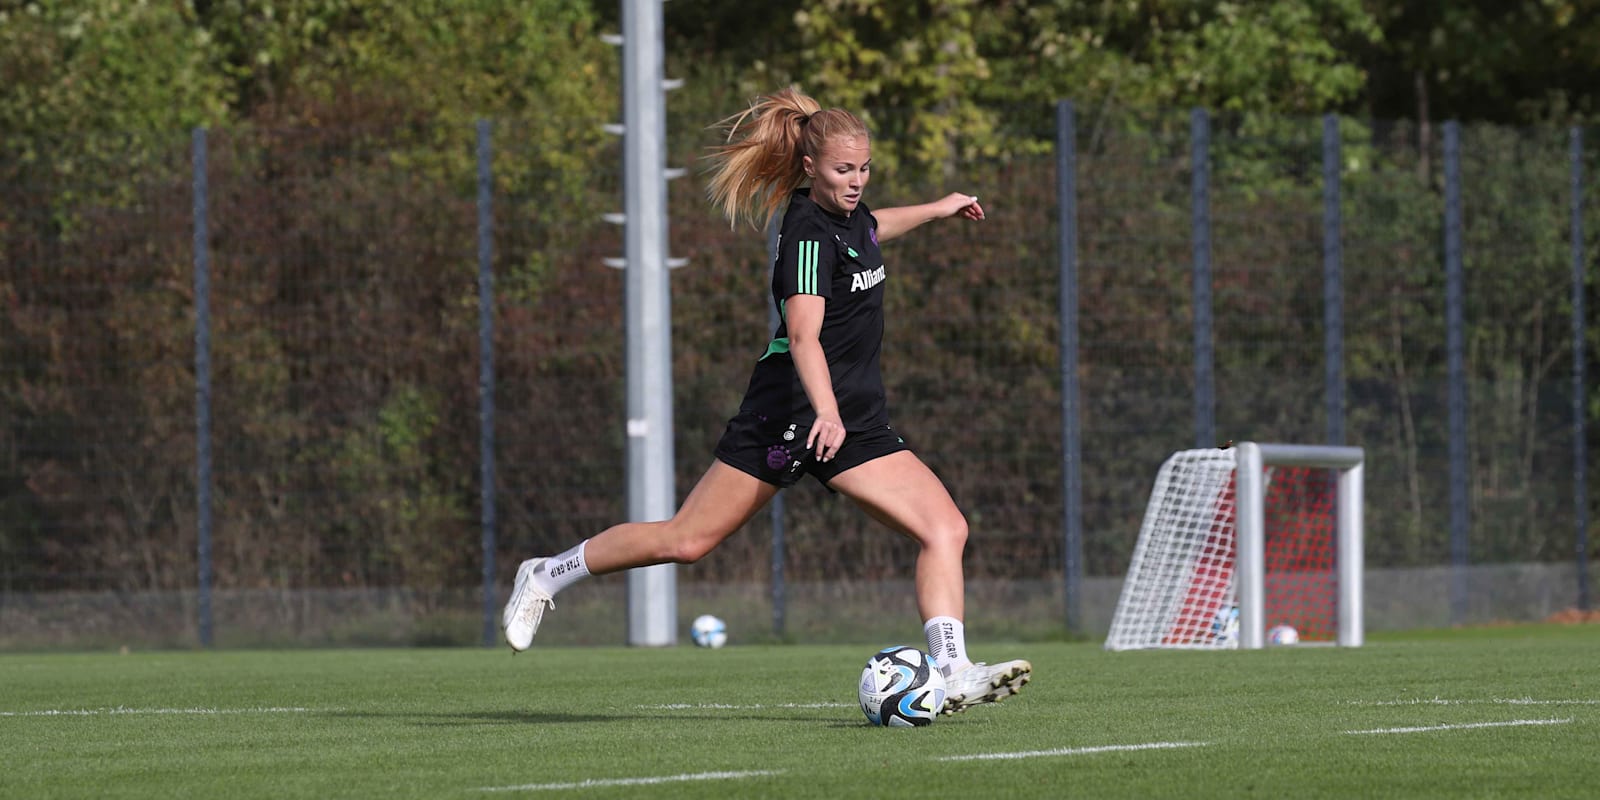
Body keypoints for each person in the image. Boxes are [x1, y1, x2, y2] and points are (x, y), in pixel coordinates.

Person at [503, 86, 1030, 715]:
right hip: (791, 414)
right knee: (684, 541)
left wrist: (939, 208)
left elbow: (873, 228)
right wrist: (826, 412)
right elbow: (803, 334)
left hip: (852, 423)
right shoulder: (808, 232)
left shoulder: (848, 217)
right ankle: (545, 574)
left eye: (864, 168)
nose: (857, 181)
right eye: (843, 170)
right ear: (810, 169)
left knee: (945, 528)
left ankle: (954, 670)